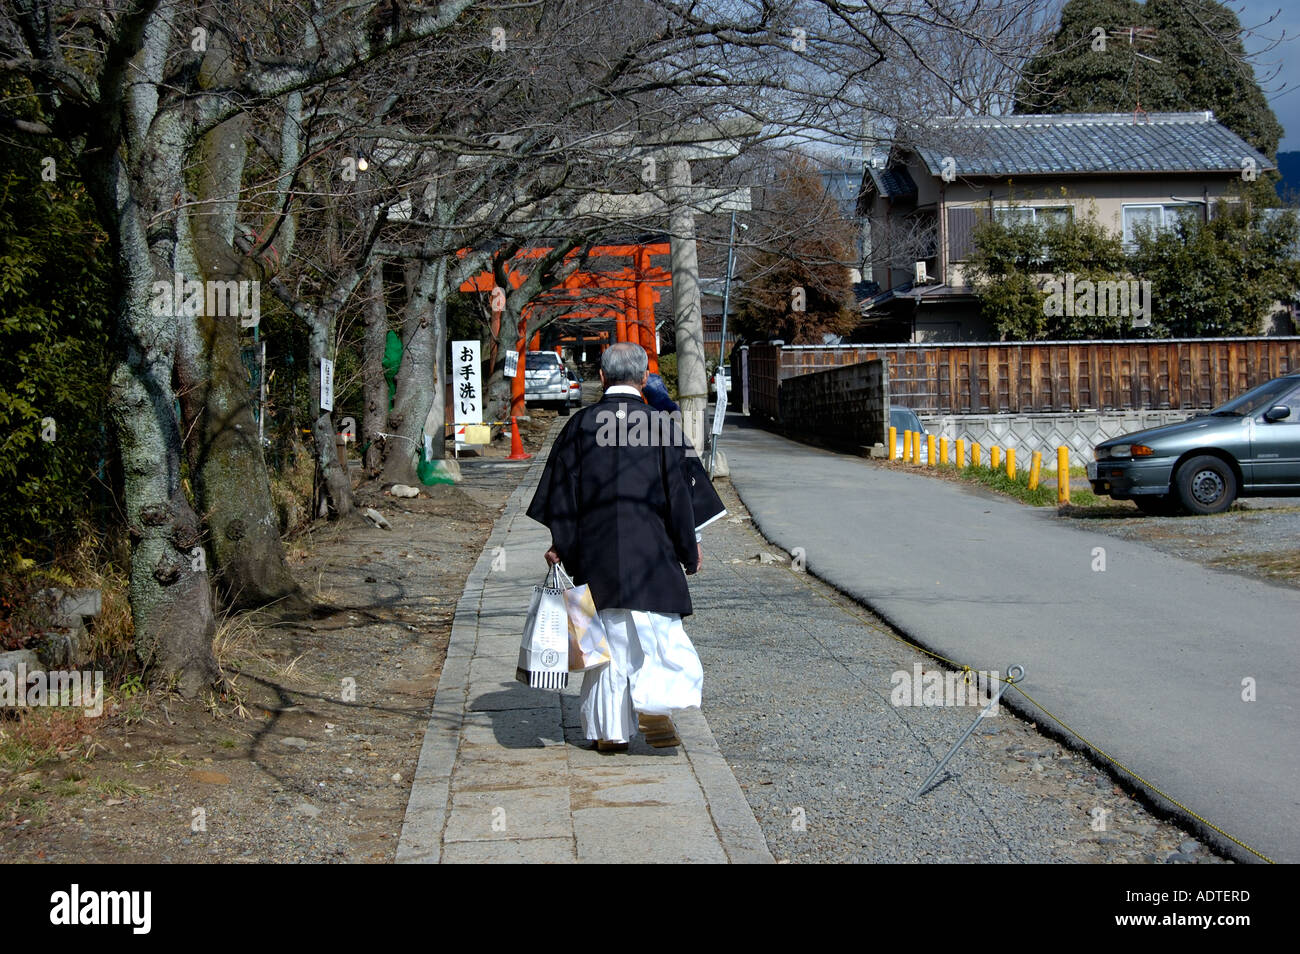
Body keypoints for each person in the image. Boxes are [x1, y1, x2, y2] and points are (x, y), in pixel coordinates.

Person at [526, 342, 726, 751]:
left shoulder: (579, 426)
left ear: (601, 377)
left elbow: (562, 495)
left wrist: (561, 544)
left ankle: (609, 733)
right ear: (643, 378)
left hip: (596, 554)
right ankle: (655, 708)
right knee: (657, 635)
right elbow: (680, 496)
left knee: (607, 642)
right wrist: (690, 549)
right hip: (653, 554)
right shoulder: (662, 426)